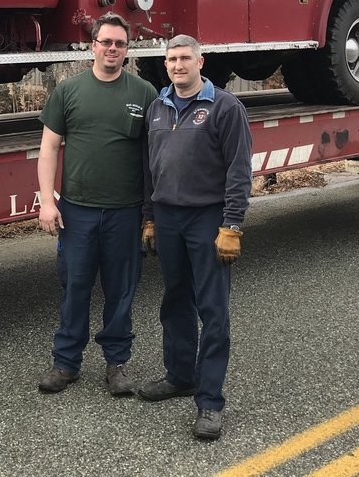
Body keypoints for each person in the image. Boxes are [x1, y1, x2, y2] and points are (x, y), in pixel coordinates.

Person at [36, 13, 158, 396]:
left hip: (126, 212)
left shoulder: (143, 93)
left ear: (127, 50)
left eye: (120, 44)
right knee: (75, 286)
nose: (112, 49)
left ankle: (117, 363)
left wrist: (152, 212)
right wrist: (47, 202)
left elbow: (158, 153)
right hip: (77, 212)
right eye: (106, 42)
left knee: (121, 290)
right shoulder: (68, 92)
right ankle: (66, 363)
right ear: (93, 46)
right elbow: (48, 148)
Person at [138, 35, 253, 440]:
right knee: (175, 300)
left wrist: (232, 225)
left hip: (208, 219)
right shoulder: (157, 107)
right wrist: (149, 218)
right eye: (171, 59)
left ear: (201, 61)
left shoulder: (225, 107)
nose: (177, 65)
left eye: (185, 57)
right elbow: (150, 169)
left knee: (213, 309)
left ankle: (209, 402)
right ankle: (180, 376)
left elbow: (239, 171)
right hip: (168, 218)